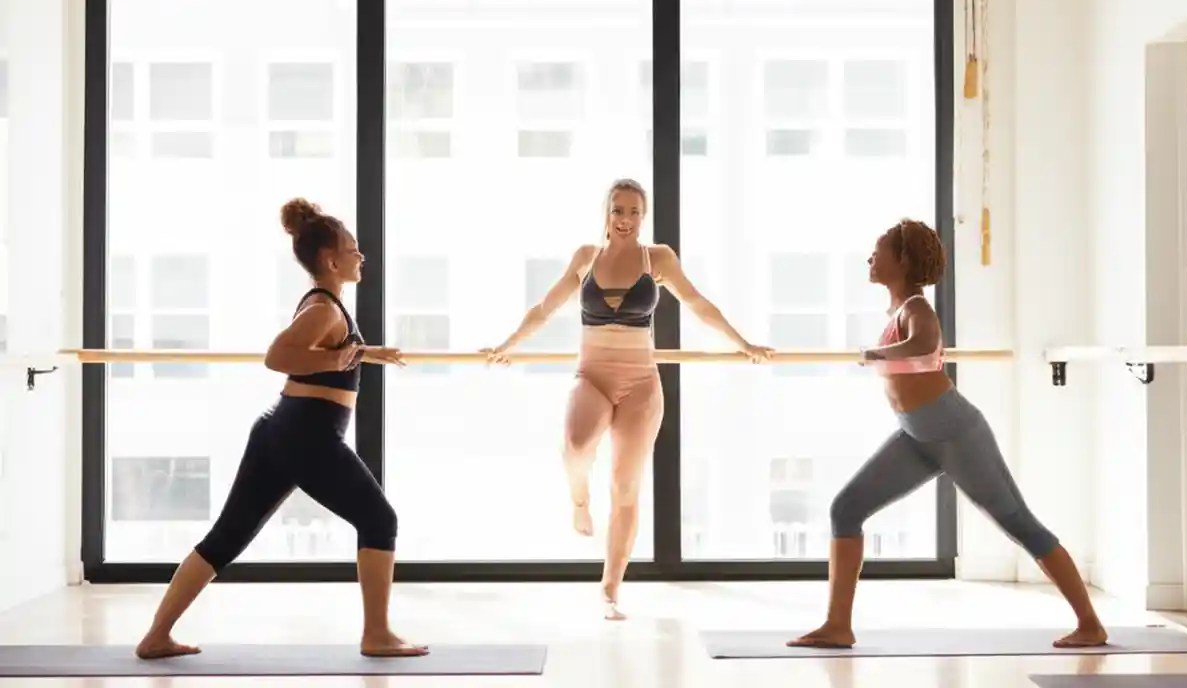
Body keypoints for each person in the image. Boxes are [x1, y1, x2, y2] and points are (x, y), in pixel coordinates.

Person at [787, 219, 1108, 650]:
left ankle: (1090, 623)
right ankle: (837, 625)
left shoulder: (917, 308)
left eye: (877, 251)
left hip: (956, 434)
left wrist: (878, 352)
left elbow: (924, 345)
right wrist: (881, 351)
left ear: (901, 260)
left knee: (1019, 523)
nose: (869, 258)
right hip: (916, 438)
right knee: (846, 508)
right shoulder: (896, 311)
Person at [134, 198, 426, 660]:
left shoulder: (326, 305)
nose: (360, 255)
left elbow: (322, 353)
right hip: (306, 434)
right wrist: (339, 357)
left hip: (282, 430)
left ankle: (156, 637)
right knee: (379, 520)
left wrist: (366, 352)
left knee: (227, 537)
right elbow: (279, 356)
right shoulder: (324, 309)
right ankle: (377, 634)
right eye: (353, 250)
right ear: (332, 261)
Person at [483, 178, 772, 620]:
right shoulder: (586, 257)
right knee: (576, 446)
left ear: (644, 215)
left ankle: (610, 589)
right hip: (593, 374)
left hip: (640, 382)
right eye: (618, 210)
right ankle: (579, 500)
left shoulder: (657, 258)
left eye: (634, 211)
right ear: (607, 212)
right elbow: (544, 308)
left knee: (624, 485)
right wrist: (507, 344)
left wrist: (744, 343)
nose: (626, 219)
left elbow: (698, 303)